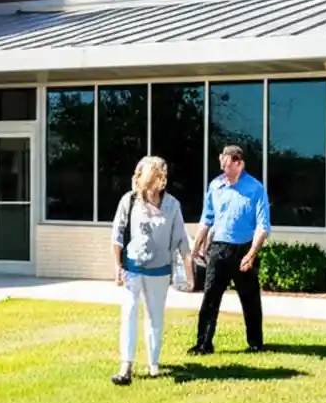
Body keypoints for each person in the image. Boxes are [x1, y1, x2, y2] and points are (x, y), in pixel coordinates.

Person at [109, 156, 195, 386]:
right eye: (143, 183)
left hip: (159, 270)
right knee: (129, 311)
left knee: (155, 316)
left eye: (151, 183)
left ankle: (153, 364)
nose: (146, 190)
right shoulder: (128, 201)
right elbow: (116, 236)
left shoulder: (172, 205)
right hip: (132, 267)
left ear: (161, 181)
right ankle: (125, 365)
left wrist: (190, 275)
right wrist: (117, 266)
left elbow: (181, 241)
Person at [189, 144, 271, 354]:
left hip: (244, 248)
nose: (224, 170)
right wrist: (196, 248)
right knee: (210, 297)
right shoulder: (215, 187)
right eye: (222, 165)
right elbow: (206, 218)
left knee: (250, 298)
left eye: (228, 166)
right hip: (219, 248)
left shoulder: (255, 189)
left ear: (239, 163)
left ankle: (255, 343)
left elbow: (263, 227)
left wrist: (251, 254)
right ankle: (203, 343)